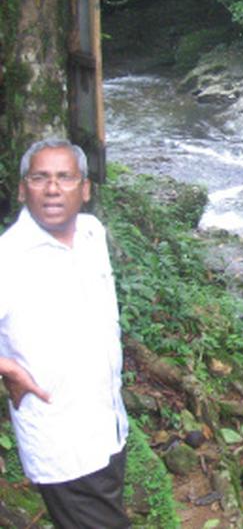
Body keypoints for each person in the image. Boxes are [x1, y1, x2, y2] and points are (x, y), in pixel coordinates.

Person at [0, 139, 130, 528]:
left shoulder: (92, 234)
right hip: (61, 438)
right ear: (23, 189)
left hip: (109, 425)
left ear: (85, 189)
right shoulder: (9, 258)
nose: (53, 189)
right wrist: (6, 366)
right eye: (40, 178)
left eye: (65, 177)